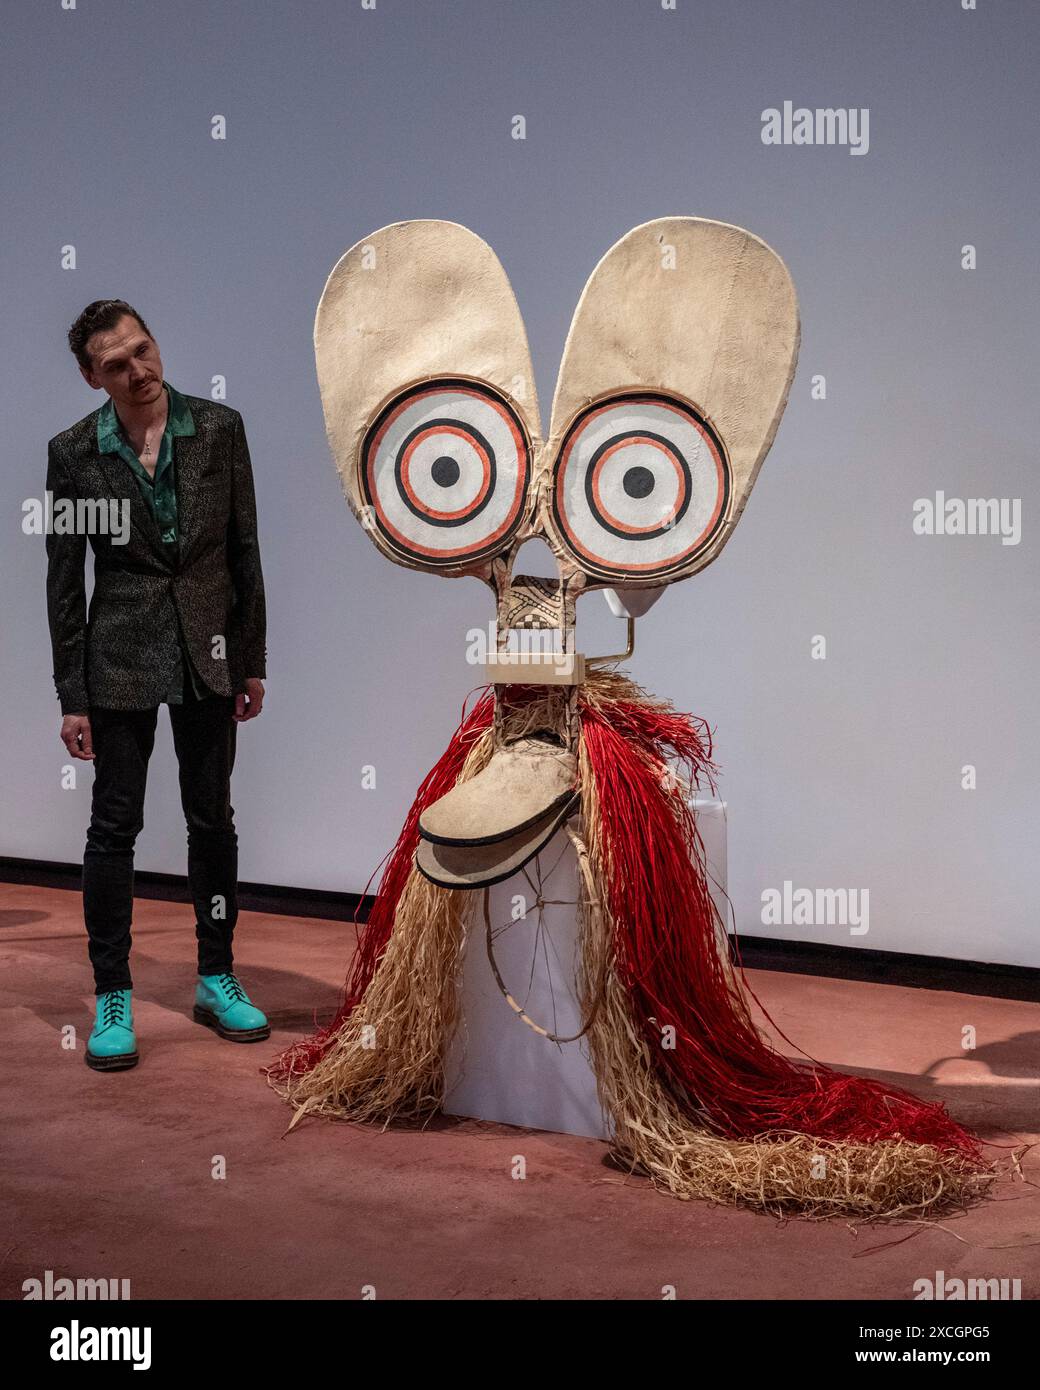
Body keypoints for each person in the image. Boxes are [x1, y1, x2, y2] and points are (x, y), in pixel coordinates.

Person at [46, 299, 270, 1071]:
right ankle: (114, 990)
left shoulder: (217, 428)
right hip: (120, 654)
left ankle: (216, 974)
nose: (139, 371)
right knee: (115, 829)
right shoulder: (76, 453)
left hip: (208, 650)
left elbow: (246, 551)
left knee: (213, 821)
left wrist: (251, 659)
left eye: (144, 350)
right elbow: (64, 581)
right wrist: (70, 693)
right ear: (90, 377)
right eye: (117, 364)